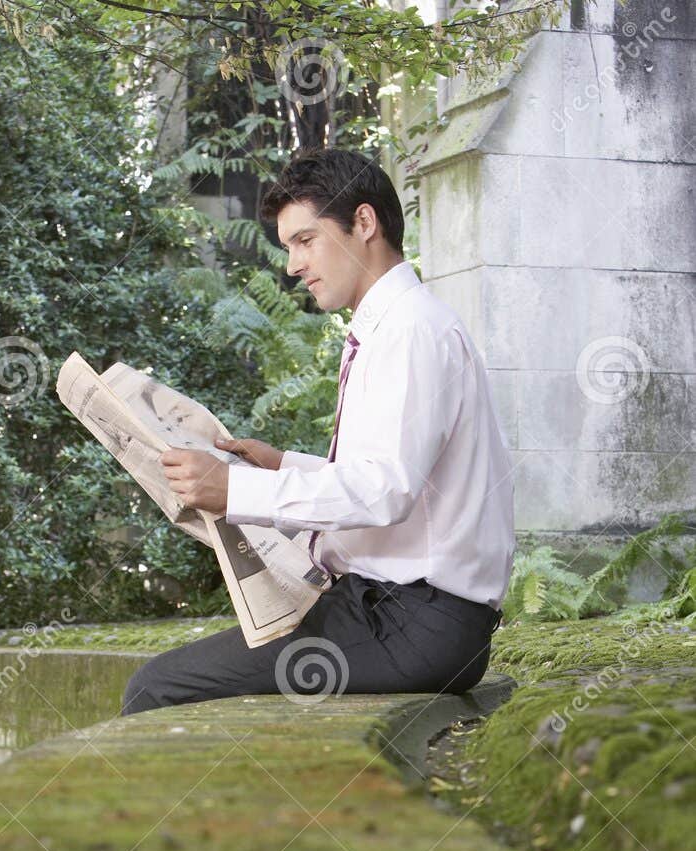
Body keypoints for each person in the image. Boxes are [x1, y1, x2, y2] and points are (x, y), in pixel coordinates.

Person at [121, 147, 515, 716]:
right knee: (179, 676)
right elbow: (398, 479)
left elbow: (385, 490)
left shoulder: (411, 333)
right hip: (397, 611)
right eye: (288, 247)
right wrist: (283, 466)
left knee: (158, 687)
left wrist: (234, 491)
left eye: (304, 241)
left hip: (415, 624)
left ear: (363, 222)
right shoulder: (392, 329)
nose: (292, 265)